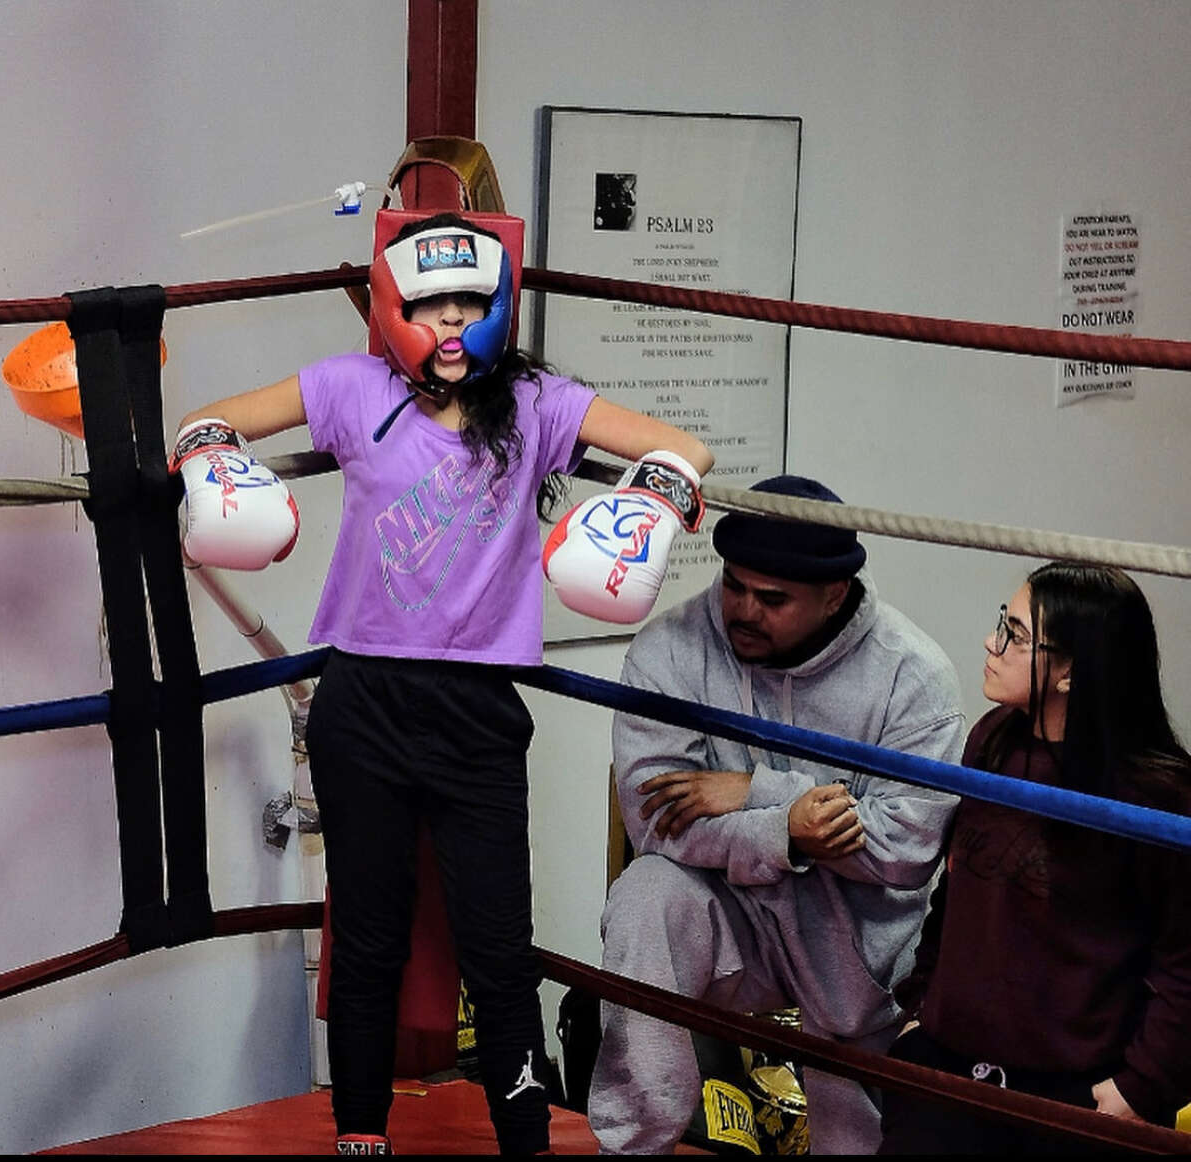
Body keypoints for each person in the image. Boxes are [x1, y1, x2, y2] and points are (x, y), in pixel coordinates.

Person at [169, 212, 713, 1156]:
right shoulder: (349, 388)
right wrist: (214, 465)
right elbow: (208, 420)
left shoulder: (538, 403)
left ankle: (527, 1143)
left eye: (470, 300)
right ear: (393, 309)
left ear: (500, 305)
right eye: (431, 303)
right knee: (371, 941)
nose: (453, 322)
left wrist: (656, 499)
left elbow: (680, 446)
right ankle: (361, 1136)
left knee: (499, 952)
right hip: (362, 704)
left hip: (477, 712)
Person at [587, 475, 965, 1155]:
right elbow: (655, 819)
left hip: (856, 938)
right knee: (645, 895)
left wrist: (752, 791)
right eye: (734, 586)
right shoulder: (670, 648)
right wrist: (786, 826)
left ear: (834, 597)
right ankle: (636, 1143)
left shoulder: (914, 675)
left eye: (772, 599)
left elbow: (907, 847)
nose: (743, 610)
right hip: (733, 916)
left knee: (854, 1130)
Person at [879, 563, 1191, 1154]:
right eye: (1004, 623)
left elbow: (1185, 961)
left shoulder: (1158, 794)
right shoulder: (991, 737)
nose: (991, 644)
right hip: (946, 1075)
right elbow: (957, 892)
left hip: (1069, 1102)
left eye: (1017, 635)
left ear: (1072, 670)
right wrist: (920, 1008)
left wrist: (1141, 1087)